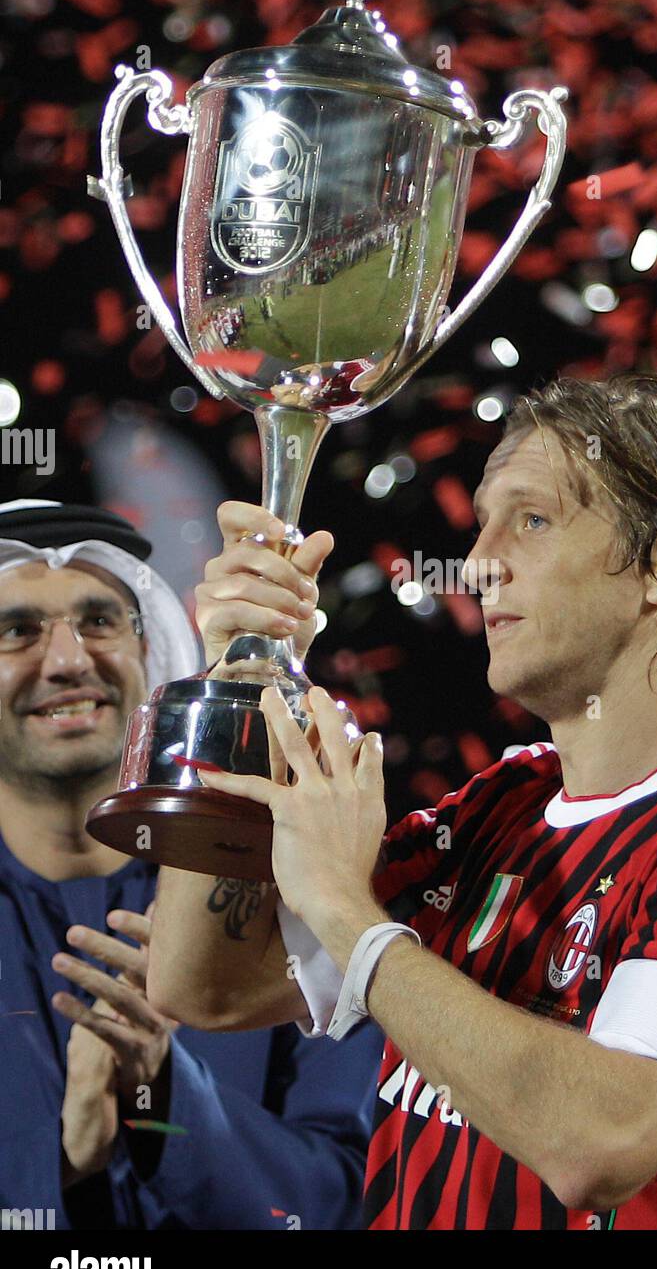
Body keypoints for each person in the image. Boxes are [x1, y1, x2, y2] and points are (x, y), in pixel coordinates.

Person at [149, 373, 657, 1230]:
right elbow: (204, 985)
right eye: (483, 518)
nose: (480, 560)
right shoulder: (500, 806)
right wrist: (242, 679)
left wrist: (347, 914)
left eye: (532, 518)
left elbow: (604, 1141)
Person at [0, 498, 381, 1229]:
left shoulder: (294, 890)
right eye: (18, 631)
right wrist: (60, 1164)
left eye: (100, 622)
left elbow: (338, 1203)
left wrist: (167, 1091)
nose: (70, 660)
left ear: (152, 651)